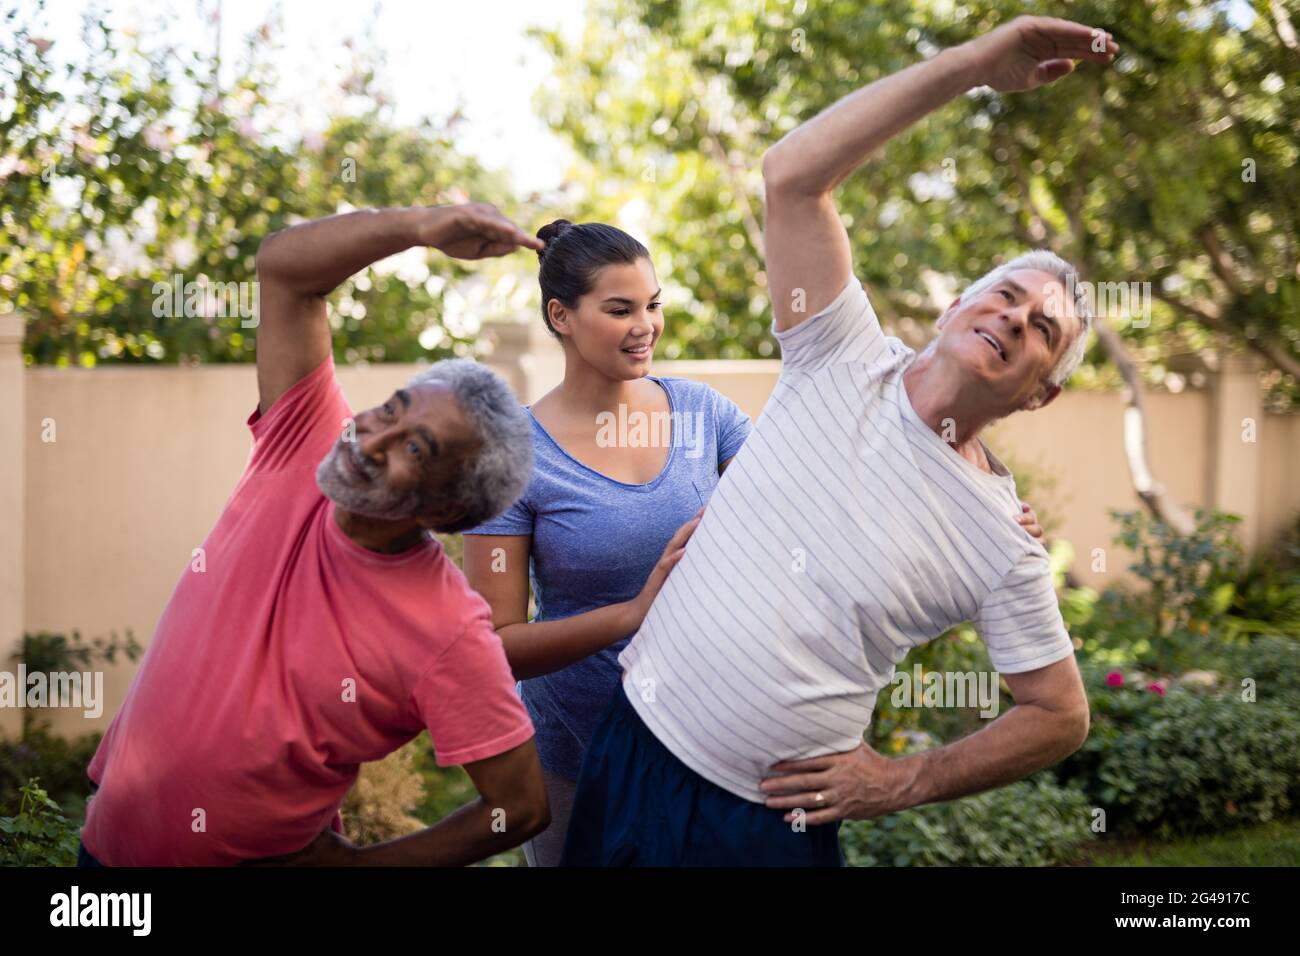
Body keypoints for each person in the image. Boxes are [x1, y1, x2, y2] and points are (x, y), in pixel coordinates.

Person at [560, 15, 1117, 867]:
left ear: (1042, 392)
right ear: (954, 308)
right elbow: (792, 176)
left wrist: (904, 779)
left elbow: (1060, 714)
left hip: (768, 828)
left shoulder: (1005, 542)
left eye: (1043, 327)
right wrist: (971, 66)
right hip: (634, 748)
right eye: (1005, 294)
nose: (1015, 316)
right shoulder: (839, 350)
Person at [79, 202, 551, 866]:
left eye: (412, 451)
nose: (369, 438)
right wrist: (421, 228)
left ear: (445, 510)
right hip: (102, 854)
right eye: (390, 409)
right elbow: (284, 271)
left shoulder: (449, 628)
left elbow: (519, 807)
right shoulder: (302, 441)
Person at [461, 220, 753, 866]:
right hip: (576, 751)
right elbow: (498, 645)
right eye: (620, 309)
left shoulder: (705, 418)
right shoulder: (515, 457)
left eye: (653, 305)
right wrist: (630, 615)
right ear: (560, 315)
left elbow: (803, 511)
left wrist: (980, 489)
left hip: (709, 736)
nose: (645, 325)